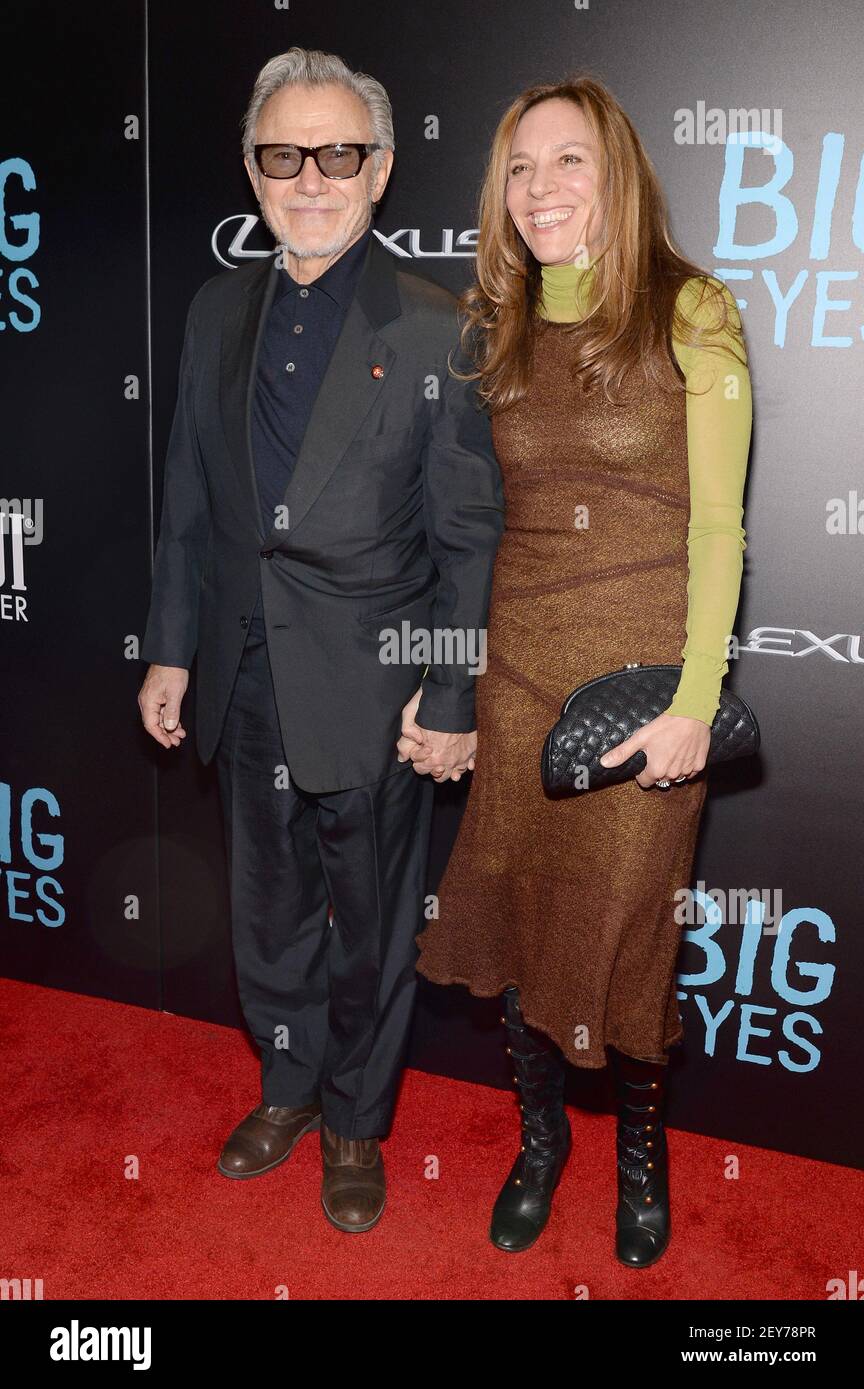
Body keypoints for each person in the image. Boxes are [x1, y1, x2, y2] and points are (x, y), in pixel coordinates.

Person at [137, 46, 504, 1234]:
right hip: (244, 681)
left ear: (381, 168)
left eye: (337, 153)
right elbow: (188, 499)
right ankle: (288, 1087)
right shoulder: (212, 308)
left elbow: (468, 538)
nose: (310, 178)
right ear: (253, 168)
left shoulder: (437, 327)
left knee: (374, 924)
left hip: (375, 692)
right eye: (283, 154)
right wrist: (172, 647)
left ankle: (355, 1118)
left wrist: (450, 699)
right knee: (268, 914)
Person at [411, 75, 752, 1267]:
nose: (538, 188)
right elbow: (475, 523)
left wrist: (693, 703)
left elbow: (719, 528)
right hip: (517, 676)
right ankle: (542, 1142)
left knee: (624, 934)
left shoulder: (693, 310)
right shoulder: (498, 325)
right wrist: (453, 684)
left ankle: (639, 1154)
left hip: (640, 692)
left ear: (615, 174)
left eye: (565, 163)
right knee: (513, 922)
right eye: (516, 167)